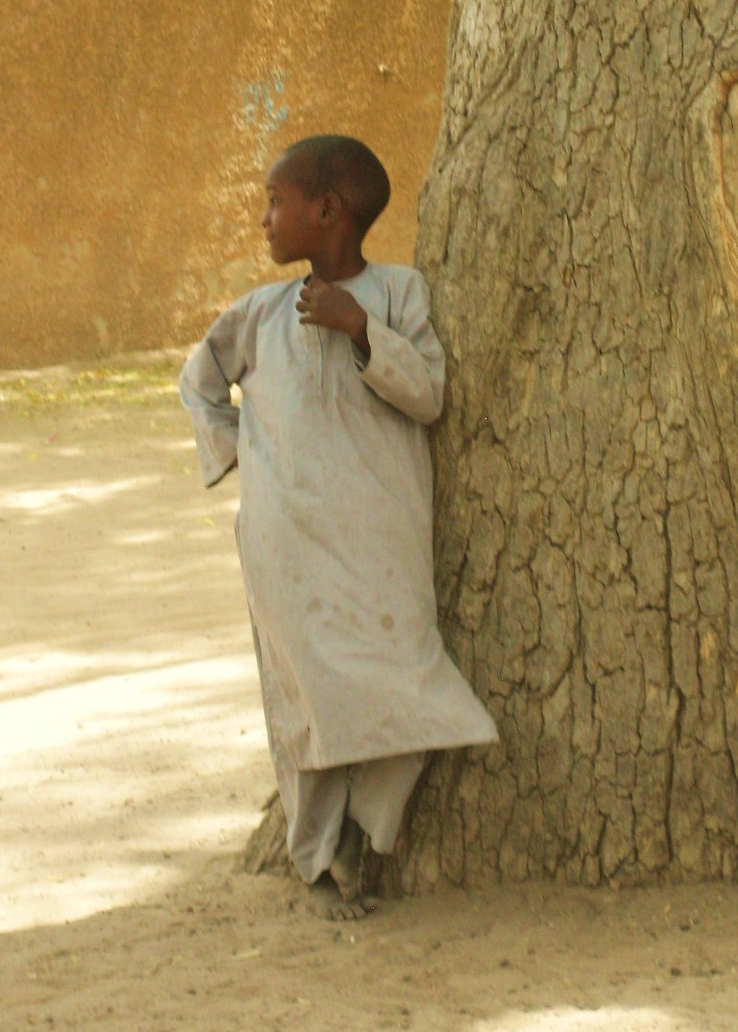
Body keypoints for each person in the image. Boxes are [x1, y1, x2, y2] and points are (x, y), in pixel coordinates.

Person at [180, 135, 498, 920]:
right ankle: (320, 859)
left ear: (327, 210)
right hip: (285, 548)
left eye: (274, 200)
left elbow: (425, 394)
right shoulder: (258, 313)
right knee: (306, 701)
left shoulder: (398, 294)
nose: (263, 218)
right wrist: (239, 458)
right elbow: (200, 381)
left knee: (414, 691)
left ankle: (365, 826)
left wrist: (361, 328)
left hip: (379, 538)